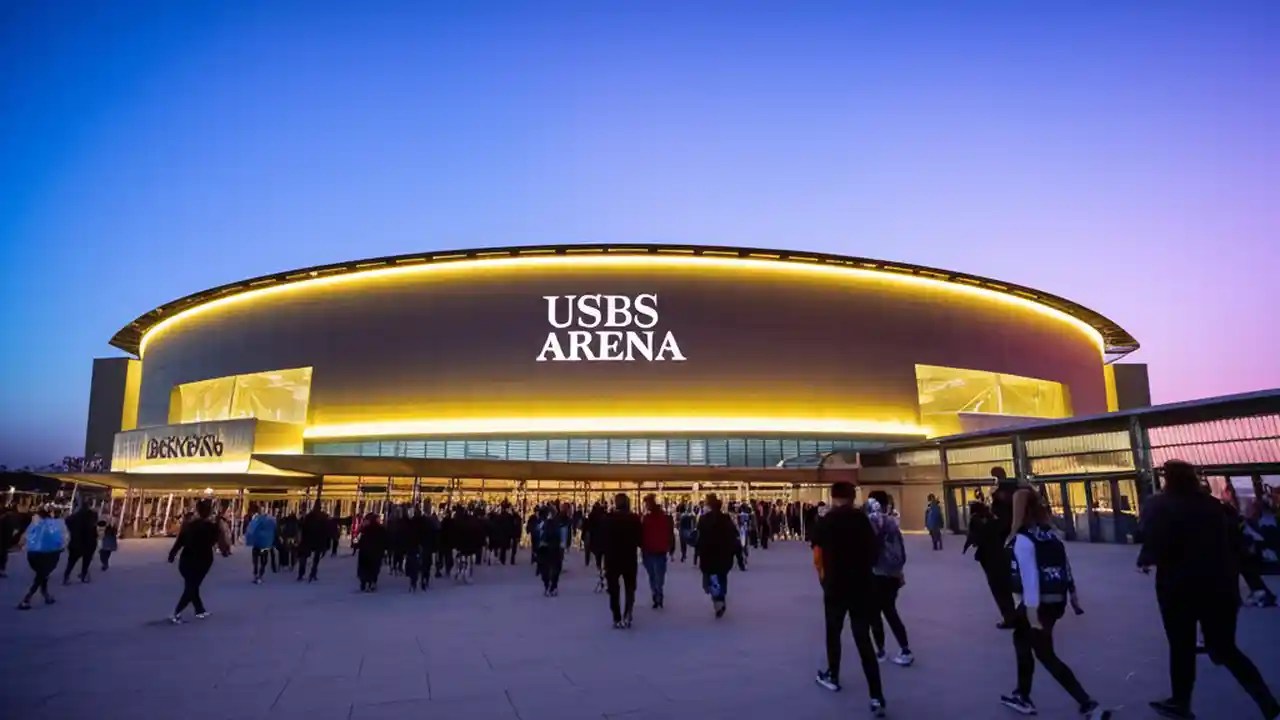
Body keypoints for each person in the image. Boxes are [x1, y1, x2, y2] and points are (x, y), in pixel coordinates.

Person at [1138, 460, 1280, 720]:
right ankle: (1269, 705)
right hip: (1220, 587)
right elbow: (1238, 541)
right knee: (1226, 649)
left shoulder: (1159, 505)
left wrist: (1145, 558)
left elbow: (1153, 540)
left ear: (1167, 479)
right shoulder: (1215, 506)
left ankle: (1181, 702)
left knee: (1181, 646)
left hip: (1178, 588)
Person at [1003, 488, 1111, 719]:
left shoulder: (1023, 540)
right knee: (1021, 641)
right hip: (1054, 603)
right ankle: (1022, 694)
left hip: (1035, 606)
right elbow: (1066, 569)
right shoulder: (1049, 535)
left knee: (1045, 654)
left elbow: (1030, 582)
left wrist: (1031, 617)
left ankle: (1088, 704)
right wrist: (1073, 600)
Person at [812, 482, 885, 717]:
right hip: (862, 586)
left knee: (833, 632)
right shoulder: (862, 520)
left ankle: (833, 675)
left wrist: (824, 579)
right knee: (863, 639)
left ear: (833, 497)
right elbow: (875, 552)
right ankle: (876, 696)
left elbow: (817, 555)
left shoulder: (826, 521)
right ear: (853, 498)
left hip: (835, 586)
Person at [866, 492, 913, 667]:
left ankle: (880, 650)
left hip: (877, 573)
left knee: (874, 613)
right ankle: (905, 648)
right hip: (893, 574)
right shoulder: (893, 523)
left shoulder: (873, 521)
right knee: (890, 611)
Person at [167, 499, 231, 624]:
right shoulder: (213, 526)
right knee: (192, 586)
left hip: (186, 559)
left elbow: (180, 540)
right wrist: (225, 551)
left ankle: (199, 609)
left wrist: (172, 554)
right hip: (203, 560)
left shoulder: (189, 524)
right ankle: (177, 612)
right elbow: (220, 541)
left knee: (192, 585)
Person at [601, 493, 643, 629]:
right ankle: (628, 613)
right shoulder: (634, 519)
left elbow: (603, 539)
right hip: (629, 557)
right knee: (630, 587)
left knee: (613, 589)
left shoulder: (608, 519)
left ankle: (616, 617)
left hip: (612, 558)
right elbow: (640, 539)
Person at [695, 494, 737, 618]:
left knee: (712, 579)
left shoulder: (703, 520)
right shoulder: (726, 519)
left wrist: (698, 551)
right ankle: (720, 598)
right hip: (723, 554)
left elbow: (699, 537)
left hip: (708, 554)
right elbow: (733, 535)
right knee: (721, 577)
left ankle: (718, 601)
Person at [17, 506, 66, 610]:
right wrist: (60, 547)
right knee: (41, 576)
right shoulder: (53, 525)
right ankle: (27, 598)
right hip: (48, 554)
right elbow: (58, 538)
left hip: (33, 554)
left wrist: (23, 545)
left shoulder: (34, 523)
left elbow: (26, 536)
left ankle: (46, 595)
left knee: (42, 575)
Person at [640, 494, 674, 609]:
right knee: (657, 575)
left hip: (652, 550)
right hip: (658, 550)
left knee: (653, 575)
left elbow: (642, 534)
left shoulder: (648, 519)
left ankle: (656, 593)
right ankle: (657, 592)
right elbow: (669, 533)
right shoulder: (662, 518)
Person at [62, 501, 99, 585]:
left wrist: (72, 531)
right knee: (86, 560)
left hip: (76, 542)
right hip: (89, 542)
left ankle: (66, 576)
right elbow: (95, 524)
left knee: (71, 561)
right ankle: (83, 575)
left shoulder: (75, 516)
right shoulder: (92, 515)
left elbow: (67, 521)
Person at [536, 504, 568, 596]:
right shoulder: (559, 524)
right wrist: (562, 546)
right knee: (555, 568)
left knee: (546, 568)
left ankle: (548, 586)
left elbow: (538, 533)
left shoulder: (543, 523)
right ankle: (553, 586)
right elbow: (563, 535)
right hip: (555, 548)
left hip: (546, 548)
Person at [297, 504, 331, 583]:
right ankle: (313, 573)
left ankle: (302, 573)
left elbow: (303, 528)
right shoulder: (323, 517)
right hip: (318, 541)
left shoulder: (309, 516)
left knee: (304, 557)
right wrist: (326, 544)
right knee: (316, 559)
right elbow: (326, 532)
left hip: (308, 540)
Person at [245, 505, 278, 584]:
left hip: (257, 544)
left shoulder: (256, 521)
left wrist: (250, 540)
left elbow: (250, 530)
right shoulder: (270, 522)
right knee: (263, 561)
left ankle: (256, 574)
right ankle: (259, 575)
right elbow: (274, 531)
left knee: (256, 561)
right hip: (265, 545)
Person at [356, 512, 388, 592]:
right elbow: (385, 540)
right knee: (374, 568)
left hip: (365, 551)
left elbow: (361, 539)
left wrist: (359, 546)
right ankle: (372, 582)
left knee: (364, 567)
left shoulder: (366, 528)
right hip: (376, 552)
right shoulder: (381, 529)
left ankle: (364, 581)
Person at [0, 505, 22, 578]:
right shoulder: (10, 519)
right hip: (4, 540)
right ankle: (2, 569)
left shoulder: (6, 519)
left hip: (4, 539)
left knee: (3, 554)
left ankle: (2, 569)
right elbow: (15, 530)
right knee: (3, 555)